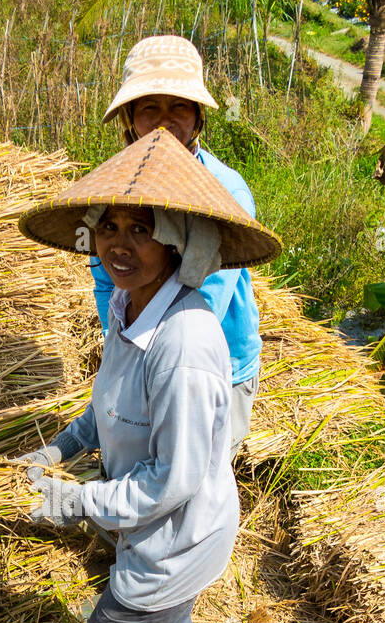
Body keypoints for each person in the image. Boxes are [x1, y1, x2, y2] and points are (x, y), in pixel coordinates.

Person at [15, 128, 281, 623]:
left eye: (142, 229)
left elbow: (171, 481)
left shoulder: (184, 344)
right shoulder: (129, 305)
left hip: (179, 536)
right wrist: (57, 449)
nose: (120, 245)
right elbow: (104, 405)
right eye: (109, 228)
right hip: (164, 532)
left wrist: (70, 503)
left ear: (178, 240)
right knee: (169, 621)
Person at [93, 34, 261, 462]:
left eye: (179, 107)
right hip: (143, 360)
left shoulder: (226, 193)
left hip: (211, 366)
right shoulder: (111, 191)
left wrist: (148, 366)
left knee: (196, 478)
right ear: (129, 119)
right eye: (150, 107)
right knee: (139, 477)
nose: (164, 120)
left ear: (199, 118)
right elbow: (104, 280)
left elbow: (206, 300)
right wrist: (123, 356)